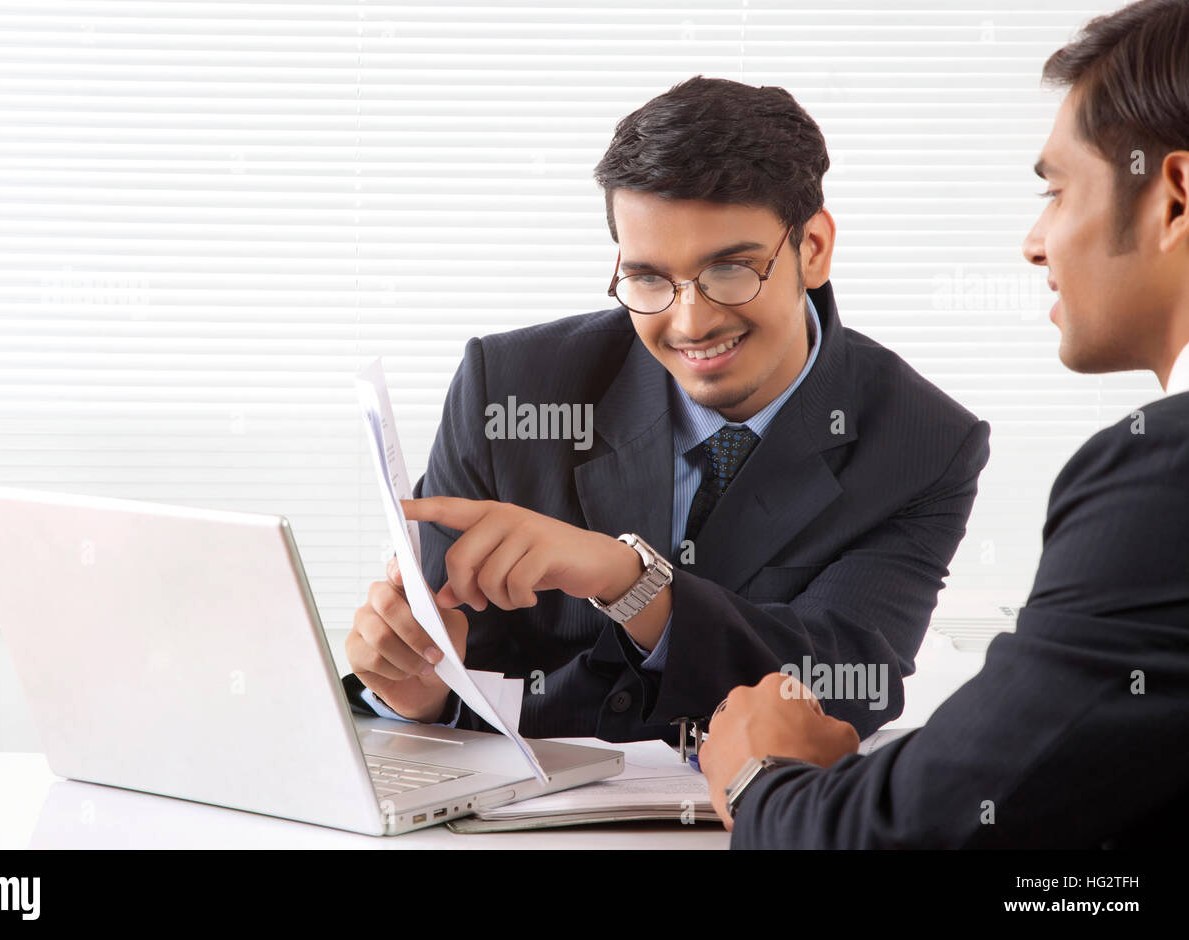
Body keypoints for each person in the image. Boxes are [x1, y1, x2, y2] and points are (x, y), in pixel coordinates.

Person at [342, 76, 991, 744]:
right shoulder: (506, 389)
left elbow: (844, 682)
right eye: (649, 278)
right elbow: (440, 657)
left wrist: (632, 583)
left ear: (813, 250)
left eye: (731, 269)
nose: (690, 321)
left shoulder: (924, 444)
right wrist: (415, 691)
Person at [699, 0, 1189, 848]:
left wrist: (762, 781)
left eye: (1056, 190)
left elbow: (926, 827)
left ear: (1176, 198)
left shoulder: (1161, 479)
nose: (1036, 243)